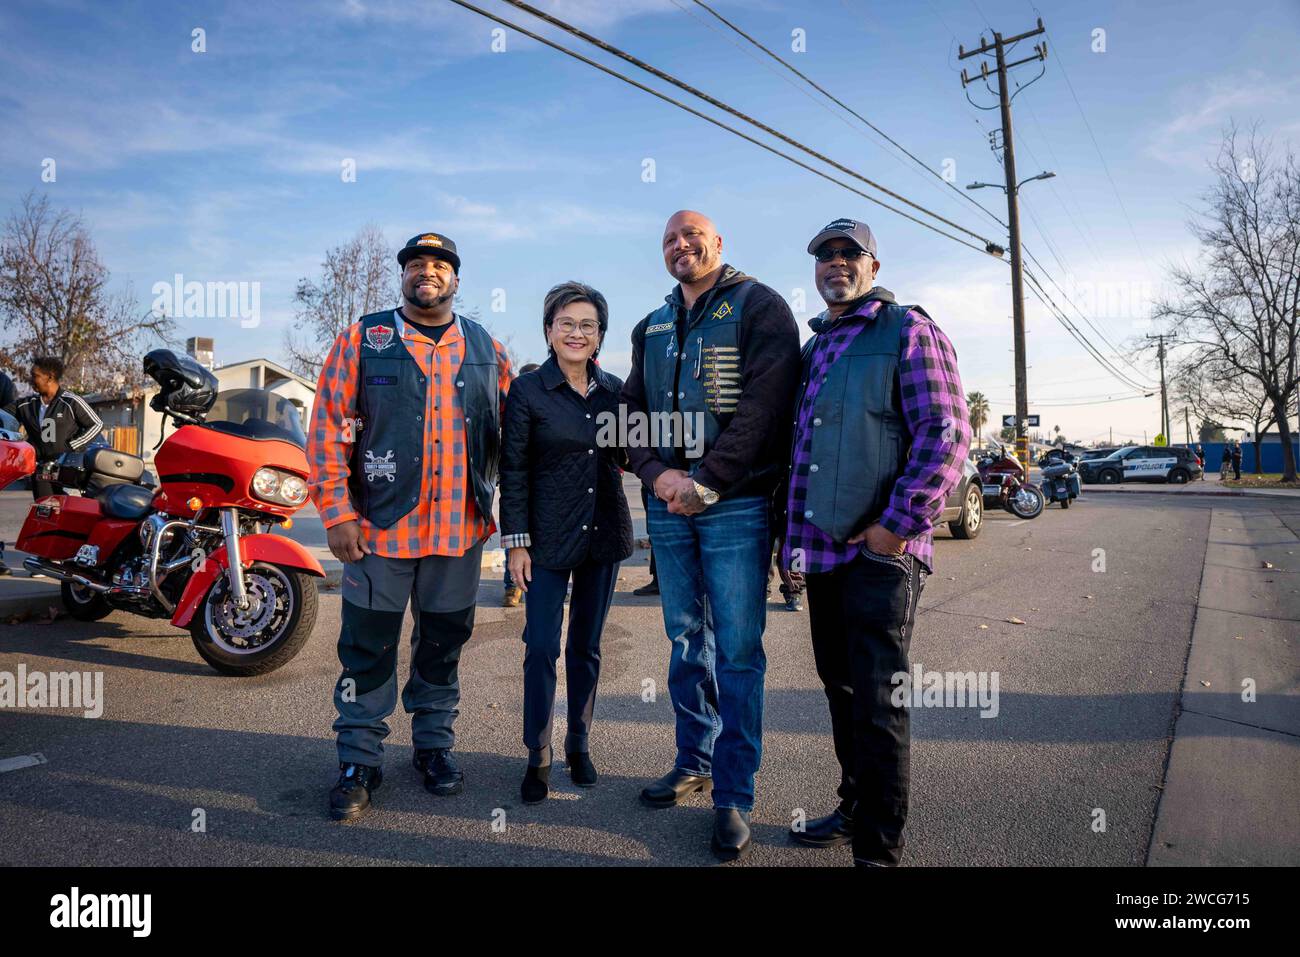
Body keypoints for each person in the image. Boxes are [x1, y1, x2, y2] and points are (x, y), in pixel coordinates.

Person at [308, 231, 512, 822]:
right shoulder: (362, 339)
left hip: (459, 533)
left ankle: (433, 749)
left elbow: (515, 427)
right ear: (403, 277)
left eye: (440, 264)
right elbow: (327, 431)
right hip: (378, 534)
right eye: (417, 264)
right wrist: (339, 515)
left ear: (456, 278)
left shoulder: (485, 348)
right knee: (366, 648)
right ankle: (358, 760)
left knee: (443, 646)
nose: (429, 271)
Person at [784, 218, 970, 866]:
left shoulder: (907, 330)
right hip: (824, 552)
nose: (836, 262)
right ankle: (853, 805)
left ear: (873, 264)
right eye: (825, 254)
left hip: (878, 558)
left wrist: (894, 529)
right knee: (840, 691)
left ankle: (878, 851)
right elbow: (801, 452)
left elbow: (945, 435)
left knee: (879, 704)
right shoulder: (816, 349)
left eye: (849, 254)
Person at [622, 209, 801, 860]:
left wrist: (708, 481)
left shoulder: (760, 307)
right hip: (669, 506)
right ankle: (693, 757)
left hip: (735, 504)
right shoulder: (652, 325)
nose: (680, 244)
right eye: (668, 238)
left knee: (736, 651)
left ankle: (734, 793)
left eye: (691, 234)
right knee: (683, 640)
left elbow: (765, 405)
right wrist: (659, 475)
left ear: (718, 243)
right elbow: (631, 415)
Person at [499, 282, 633, 804]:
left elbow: (628, 456)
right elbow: (513, 468)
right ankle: (538, 752)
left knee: (586, 646)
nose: (577, 333)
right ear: (550, 331)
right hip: (546, 538)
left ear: (600, 335)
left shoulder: (616, 390)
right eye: (567, 323)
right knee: (539, 647)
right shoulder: (528, 391)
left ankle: (579, 743)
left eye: (588, 325)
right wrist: (517, 542)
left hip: (603, 533)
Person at [14, 356, 104, 499]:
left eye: (35, 376)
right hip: (41, 468)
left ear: (50, 378)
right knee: (45, 507)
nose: (31, 380)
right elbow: (4, 416)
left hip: (65, 468)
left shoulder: (71, 401)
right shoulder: (26, 404)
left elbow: (97, 424)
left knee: (57, 507)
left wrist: (73, 445)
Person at [502, 361, 541, 608]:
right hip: (521, 487)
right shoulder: (515, 409)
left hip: (543, 488)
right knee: (516, 540)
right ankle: (512, 587)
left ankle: (531, 586)